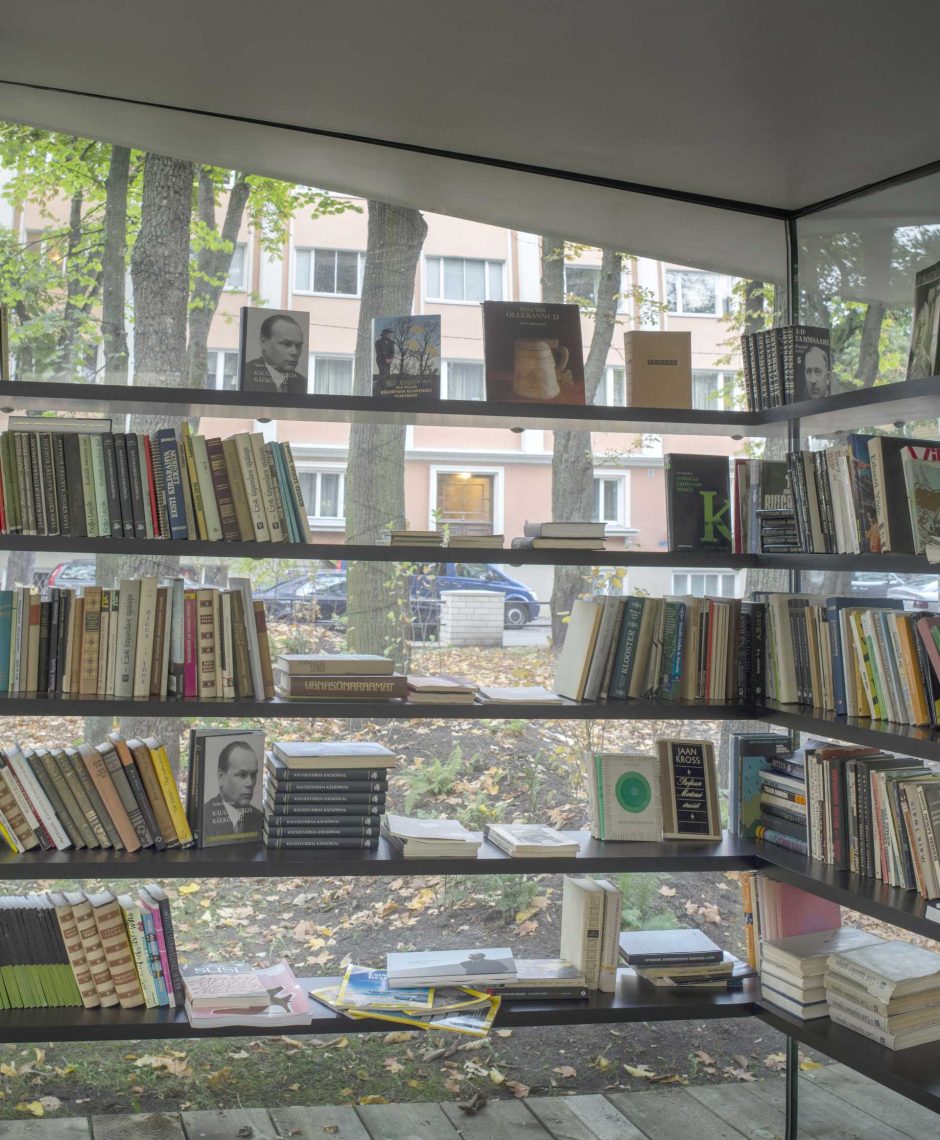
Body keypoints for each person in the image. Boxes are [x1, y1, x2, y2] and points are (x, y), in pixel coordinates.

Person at [201, 739, 264, 843]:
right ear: (221, 777)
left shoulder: (259, 818)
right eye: (242, 775)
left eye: (253, 775)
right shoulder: (203, 820)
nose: (250, 783)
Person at [242, 313, 307, 394]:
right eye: (286, 344)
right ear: (264, 343)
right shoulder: (244, 376)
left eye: (298, 345)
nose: (295, 352)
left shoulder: (302, 383)